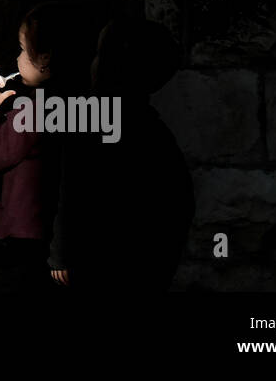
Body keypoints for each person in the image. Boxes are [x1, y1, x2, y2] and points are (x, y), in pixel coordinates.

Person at [49, 16, 195, 291]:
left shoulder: (93, 121)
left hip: (102, 259)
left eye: (99, 54)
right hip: (143, 262)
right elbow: (180, 200)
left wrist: (60, 254)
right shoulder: (152, 130)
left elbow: (71, 193)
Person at [0, 2, 89, 290]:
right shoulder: (74, 102)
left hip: (29, 236)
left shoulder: (38, 112)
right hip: (51, 236)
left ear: (44, 60)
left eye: (23, 50)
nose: (18, 57)